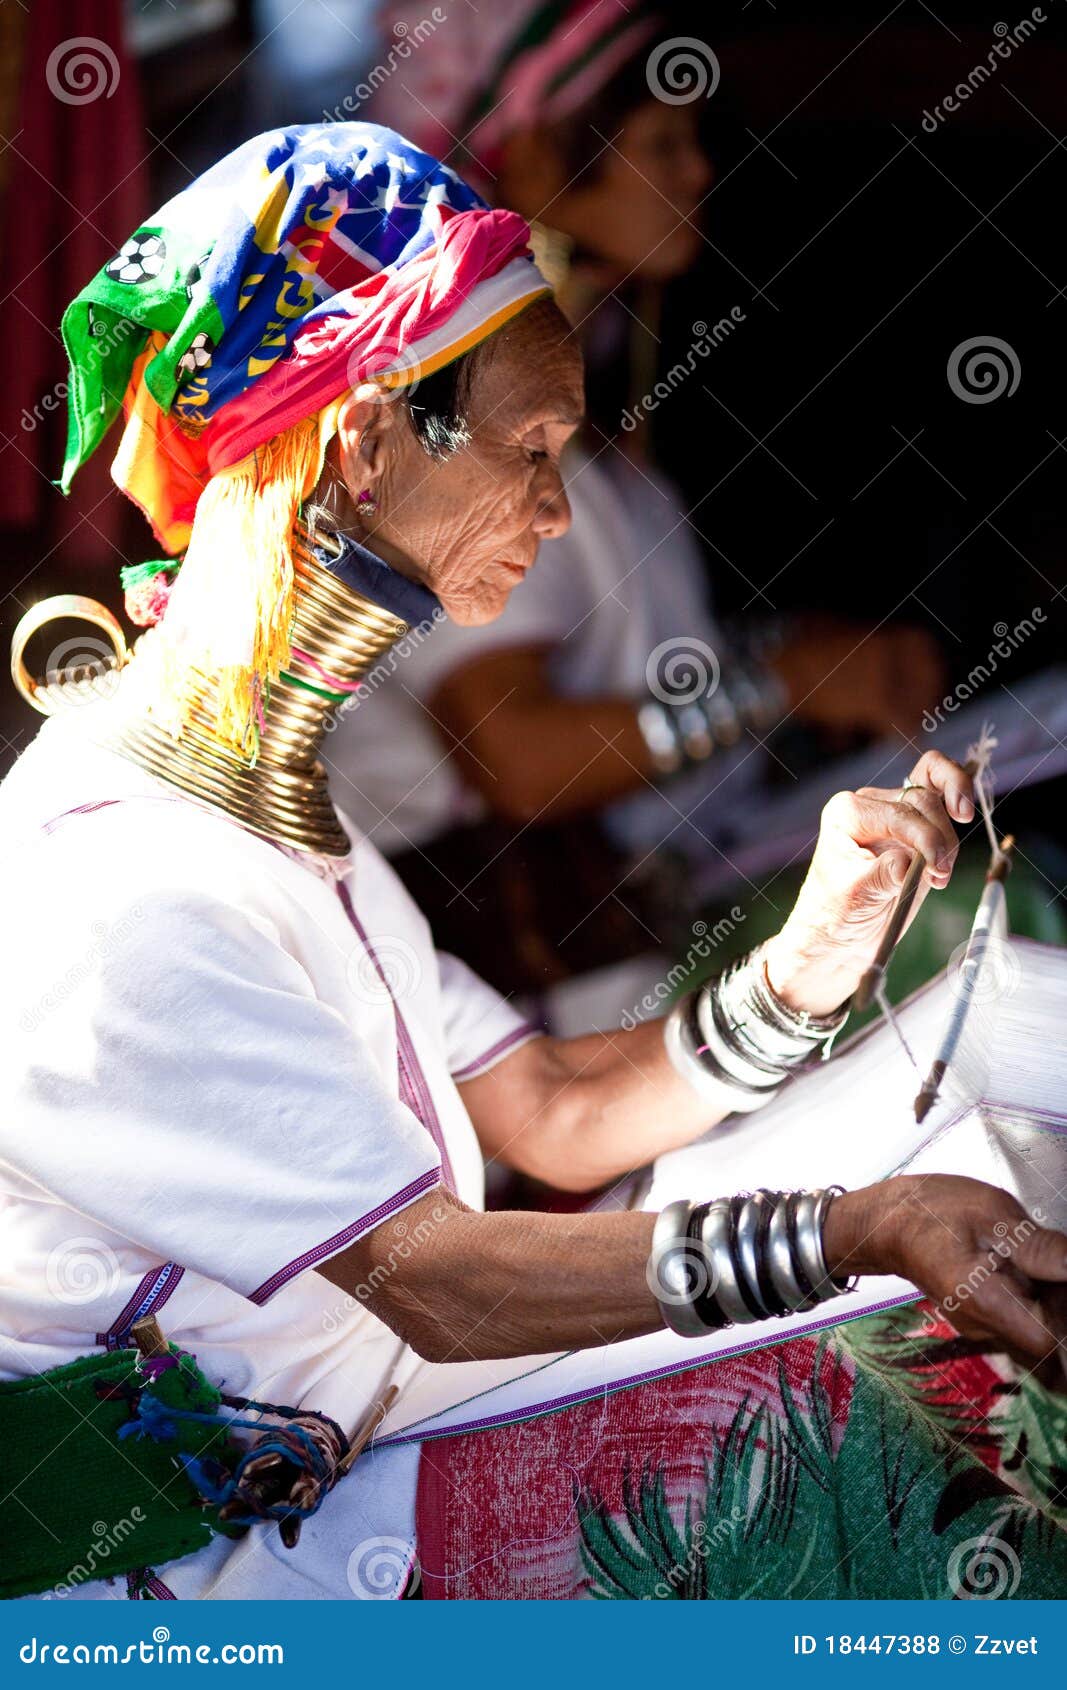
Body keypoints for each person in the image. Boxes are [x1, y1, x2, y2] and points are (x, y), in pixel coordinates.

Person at [1, 123, 1063, 1605]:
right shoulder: (118, 885)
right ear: (366, 441)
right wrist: (853, 1228)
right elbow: (443, 1280)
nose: (554, 511)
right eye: (526, 452)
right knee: (906, 1455)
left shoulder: (277, 821)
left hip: (363, 1463)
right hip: (196, 1582)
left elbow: (554, 1113)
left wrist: (806, 960)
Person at [326, 0, 947, 1022]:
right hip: (534, 996)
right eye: (659, 141)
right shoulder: (446, 436)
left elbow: (635, 660)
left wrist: (807, 657)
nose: (696, 172)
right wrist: (778, 683)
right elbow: (520, 761)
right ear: (528, 159)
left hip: (655, 918)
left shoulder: (606, 459)